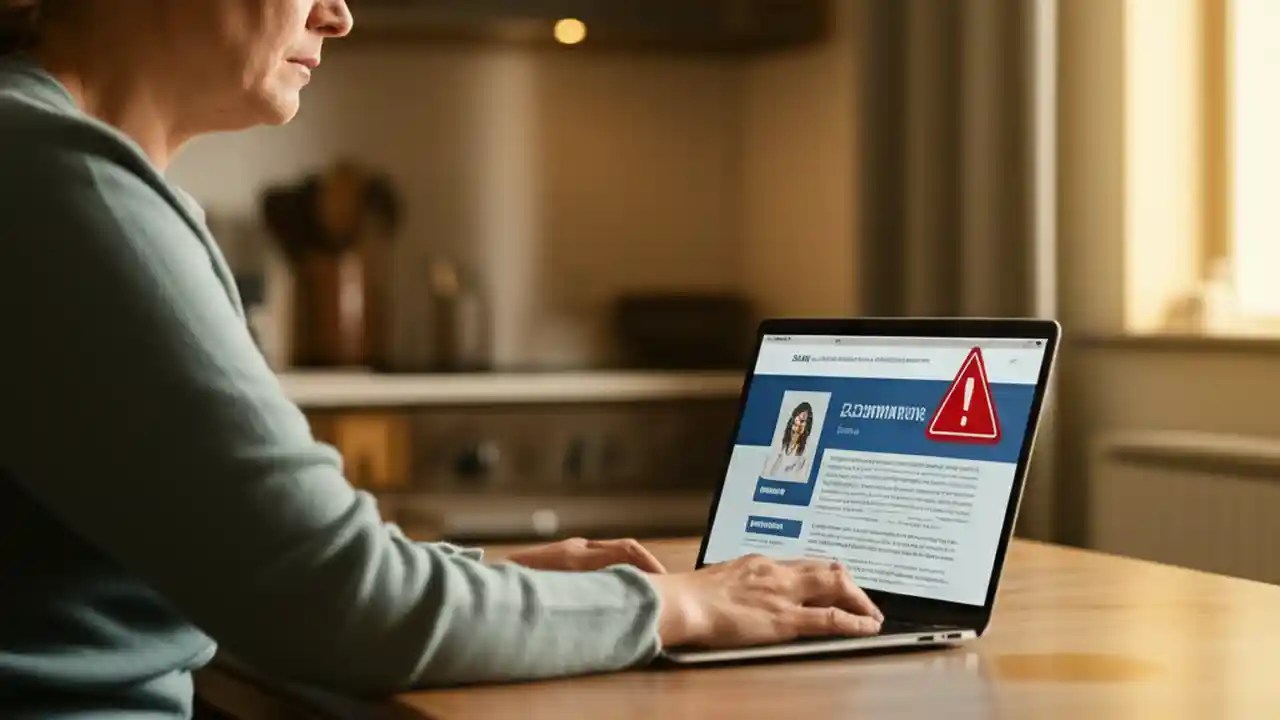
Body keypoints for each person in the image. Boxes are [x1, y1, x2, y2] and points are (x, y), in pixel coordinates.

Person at [0, 2, 883, 717]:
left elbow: (241, 576)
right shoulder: (61, 184)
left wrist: (482, 582)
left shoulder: (48, 162)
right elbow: (333, 604)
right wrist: (684, 606)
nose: (339, 16)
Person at [763, 402, 817, 482]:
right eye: (797, 418)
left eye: (802, 421)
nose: (798, 422)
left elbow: (801, 477)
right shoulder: (780, 438)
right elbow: (767, 467)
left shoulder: (808, 448)